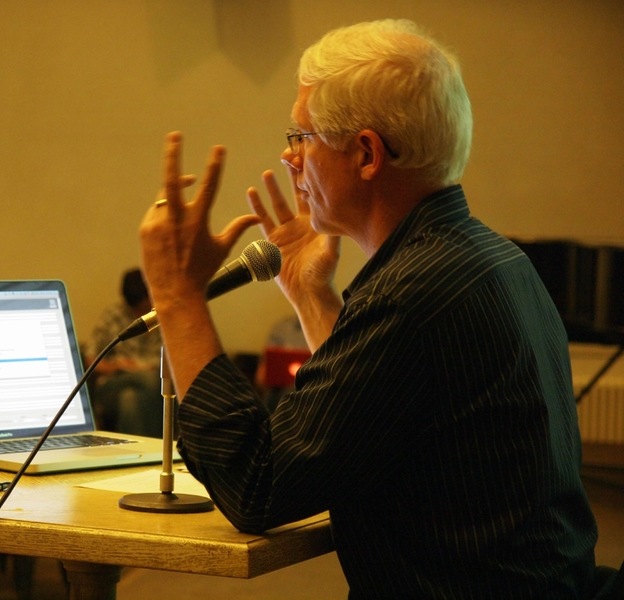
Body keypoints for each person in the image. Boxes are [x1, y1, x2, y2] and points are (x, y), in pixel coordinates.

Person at [137, 19, 599, 598]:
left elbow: (255, 486)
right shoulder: (494, 258)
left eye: (302, 136)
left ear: (366, 154)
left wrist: (178, 298)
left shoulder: (410, 295)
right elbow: (376, 413)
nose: (288, 156)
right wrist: (311, 295)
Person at [88, 268, 163, 437]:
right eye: (137, 308)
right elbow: (91, 360)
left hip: (154, 383)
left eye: (145, 306)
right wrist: (119, 366)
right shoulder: (113, 317)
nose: (141, 313)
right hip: (116, 381)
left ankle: (140, 449)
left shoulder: (161, 315)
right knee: (150, 380)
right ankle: (159, 445)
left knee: (130, 399)